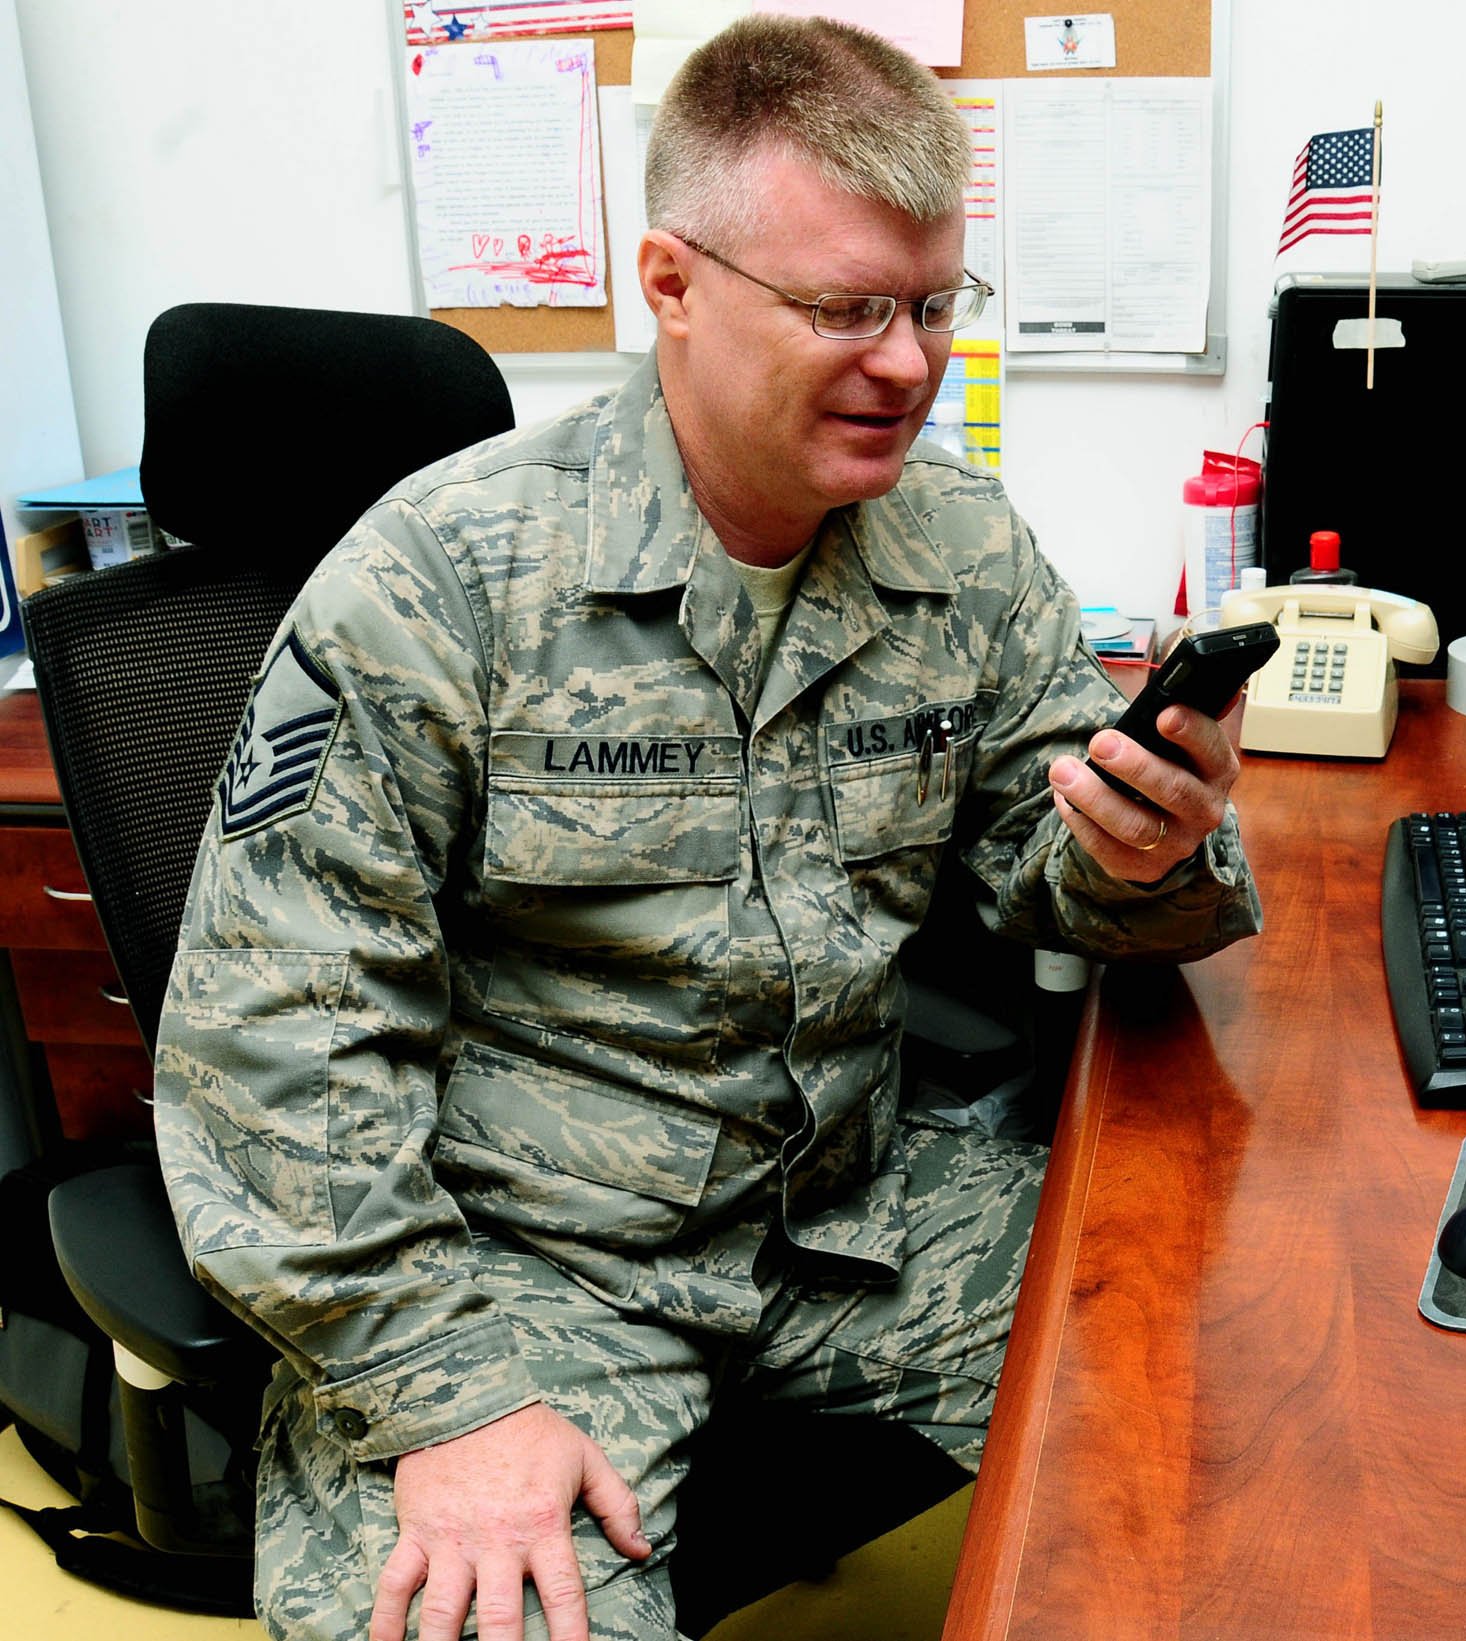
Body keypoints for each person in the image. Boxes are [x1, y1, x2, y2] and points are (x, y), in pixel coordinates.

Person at [154, 15, 1260, 1641]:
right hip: (522, 1270)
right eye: (843, 307)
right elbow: (271, 1051)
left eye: (933, 303)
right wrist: (440, 1391)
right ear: (670, 284)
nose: (907, 359)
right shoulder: (440, 581)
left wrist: (1142, 853)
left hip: (852, 1214)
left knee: (1262, 1413)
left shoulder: (954, 542)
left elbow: (1049, 854)